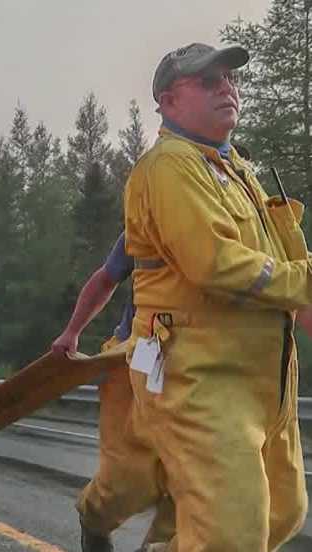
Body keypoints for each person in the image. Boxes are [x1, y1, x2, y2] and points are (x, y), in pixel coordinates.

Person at [124, 42, 310, 551]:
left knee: (284, 513)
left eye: (230, 79)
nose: (226, 87)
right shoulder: (168, 167)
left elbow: (277, 270)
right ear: (167, 100)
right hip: (198, 377)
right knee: (234, 536)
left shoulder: (238, 170)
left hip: (265, 382)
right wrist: (305, 280)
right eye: (208, 81)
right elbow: (214, 264)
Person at [52, 233, 174, 552]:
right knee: (129, 477)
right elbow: (107, 277)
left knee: (194, 487)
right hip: (134, 360)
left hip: (202, 371)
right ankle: (94, 521)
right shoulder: (151, 214)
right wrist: (72, 331)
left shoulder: (238, 217)